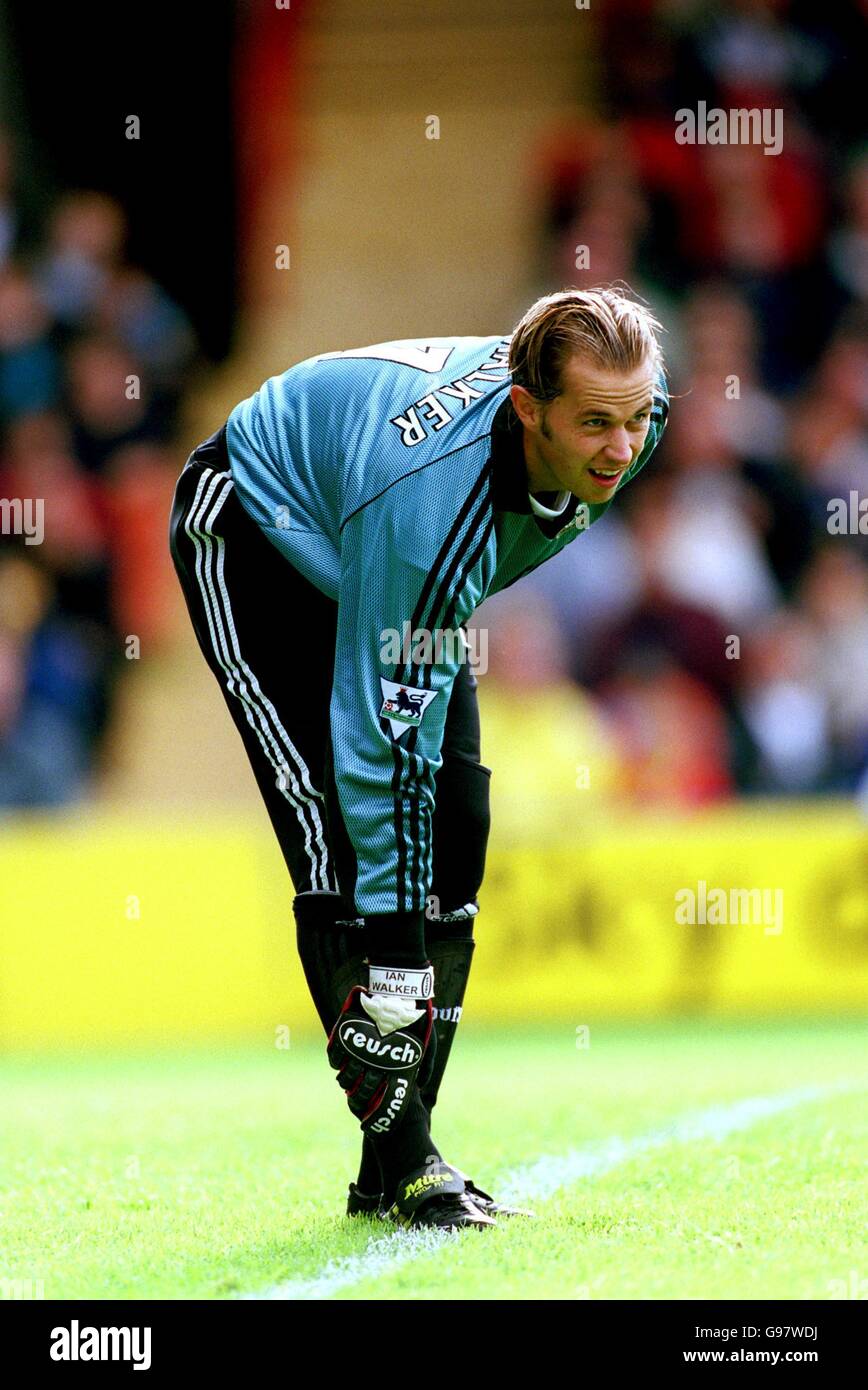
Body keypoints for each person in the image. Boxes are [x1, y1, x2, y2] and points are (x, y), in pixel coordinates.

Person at [168, 287, 670, 1230]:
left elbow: (497, 536)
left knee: (460, 818)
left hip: (393, 542)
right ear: (528, 409)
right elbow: (380, 749)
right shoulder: (432, 508)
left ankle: (389, 1166)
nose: (624, 445)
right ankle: (411, 1164)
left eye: (638, 416)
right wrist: (395, 964)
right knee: (342, 841)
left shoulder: (636, 407)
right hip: (259, 531)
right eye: (596, 422)